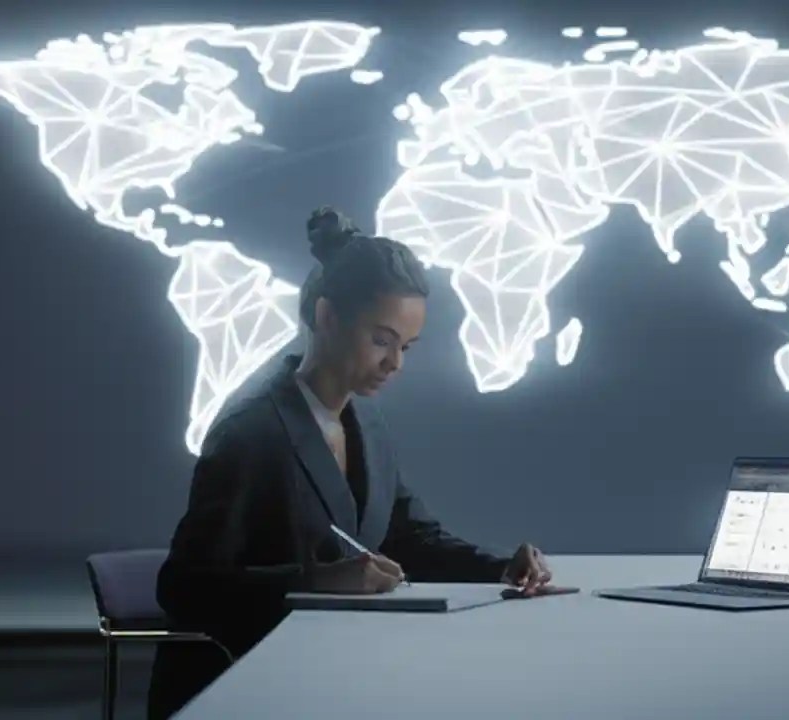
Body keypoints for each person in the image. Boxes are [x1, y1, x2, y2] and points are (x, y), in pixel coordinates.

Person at [147, 207, 553, 718]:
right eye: (381, 340)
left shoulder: (364, 419)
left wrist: (499, 568)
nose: (395, 363)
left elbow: (409, 537)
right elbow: (184, 586)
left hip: (330, 674)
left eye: (406, 346)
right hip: (246, 686)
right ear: (326, 317)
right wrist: (317, 580)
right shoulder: (251, 432)